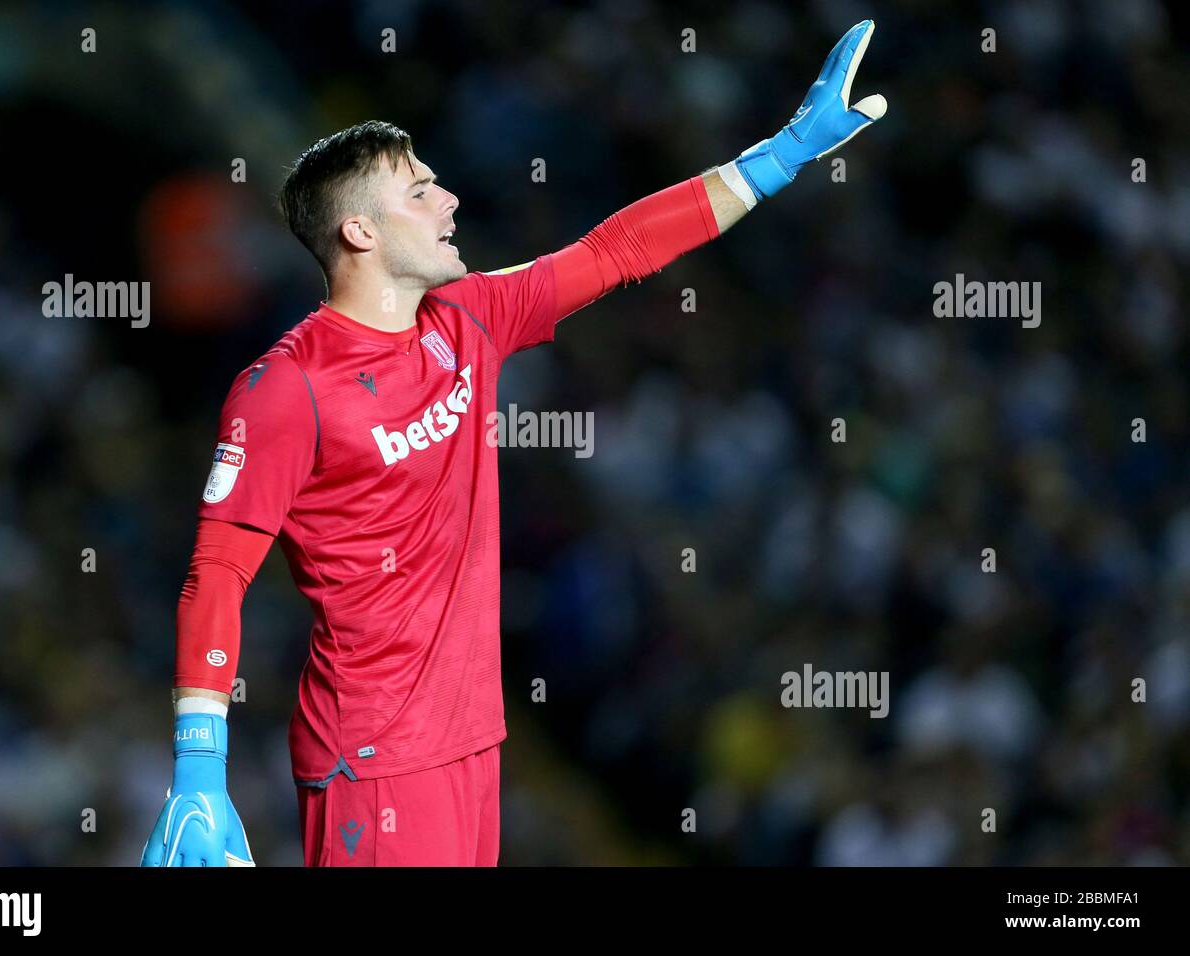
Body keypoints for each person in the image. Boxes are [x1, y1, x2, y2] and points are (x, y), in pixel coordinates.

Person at [141, 20, 886, 867]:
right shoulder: (285, 389)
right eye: (421, 191)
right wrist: (199, 769)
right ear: (360, 233)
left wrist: (783, 154)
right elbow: (219, 571)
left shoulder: (468, 319)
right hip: (375, 756)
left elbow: (618, 250)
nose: (450, 200)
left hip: (470, 739)